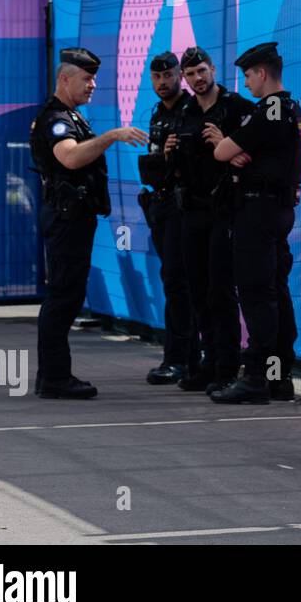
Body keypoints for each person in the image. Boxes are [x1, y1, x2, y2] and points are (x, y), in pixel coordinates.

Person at [30, 47, 147, 398]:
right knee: (63, 296)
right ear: (64, 78)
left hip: (74, 218)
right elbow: (69, 157)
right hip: (66, 218)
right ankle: (54, 378)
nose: (93, 84)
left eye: (94, 77)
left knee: (68, 294)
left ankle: (53, 374)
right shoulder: (56, 119)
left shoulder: (71, 116)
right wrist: (112, 136)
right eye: (86, 77)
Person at [208, 42, 301, 404]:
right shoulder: (292, 108)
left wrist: (228, 147)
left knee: (256, 295)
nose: (246, 82)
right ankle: (278, 377)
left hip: (257, 211)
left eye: (249, 75)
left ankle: (254, 378)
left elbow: (221, 152)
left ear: (263, 73)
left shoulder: (269, 110)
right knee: (275, 294)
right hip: (278, 211)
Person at [168, 46, 255, 394]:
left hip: (224, 210)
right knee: (198, 291)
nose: (197, 79)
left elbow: (255, 155)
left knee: (221, 290)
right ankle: (208, 363)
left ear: (213, 69)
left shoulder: (236, 108)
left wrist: (225, 144)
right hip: (190, 209)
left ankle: (227, 366)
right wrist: (169, 151)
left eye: (201, 71)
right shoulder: (185, 110)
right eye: (190, 74)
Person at [138, 51, 195, 385]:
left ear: (179, 76)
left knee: (184, 284)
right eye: (157, 77)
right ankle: (181, 358)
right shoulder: (157, 115)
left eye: (168, 76)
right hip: (162, 207)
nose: (163, 82)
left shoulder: (193, 109)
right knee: (173, 282)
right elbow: (154, 166)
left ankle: (182, 359)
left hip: (187, 208)